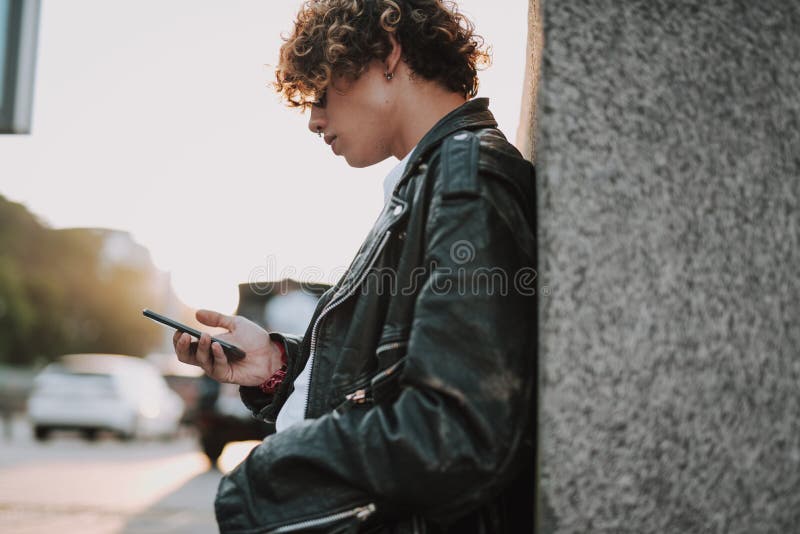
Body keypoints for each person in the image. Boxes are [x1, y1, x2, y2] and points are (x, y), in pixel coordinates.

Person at [173, 0, 537, 531]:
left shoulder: (461, 180)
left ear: (389, 53)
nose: (315, 120)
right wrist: (277, 368)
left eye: (321, 93)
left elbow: (457, 431)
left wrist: (260, 484)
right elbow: (393, 382)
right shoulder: (432, 181)